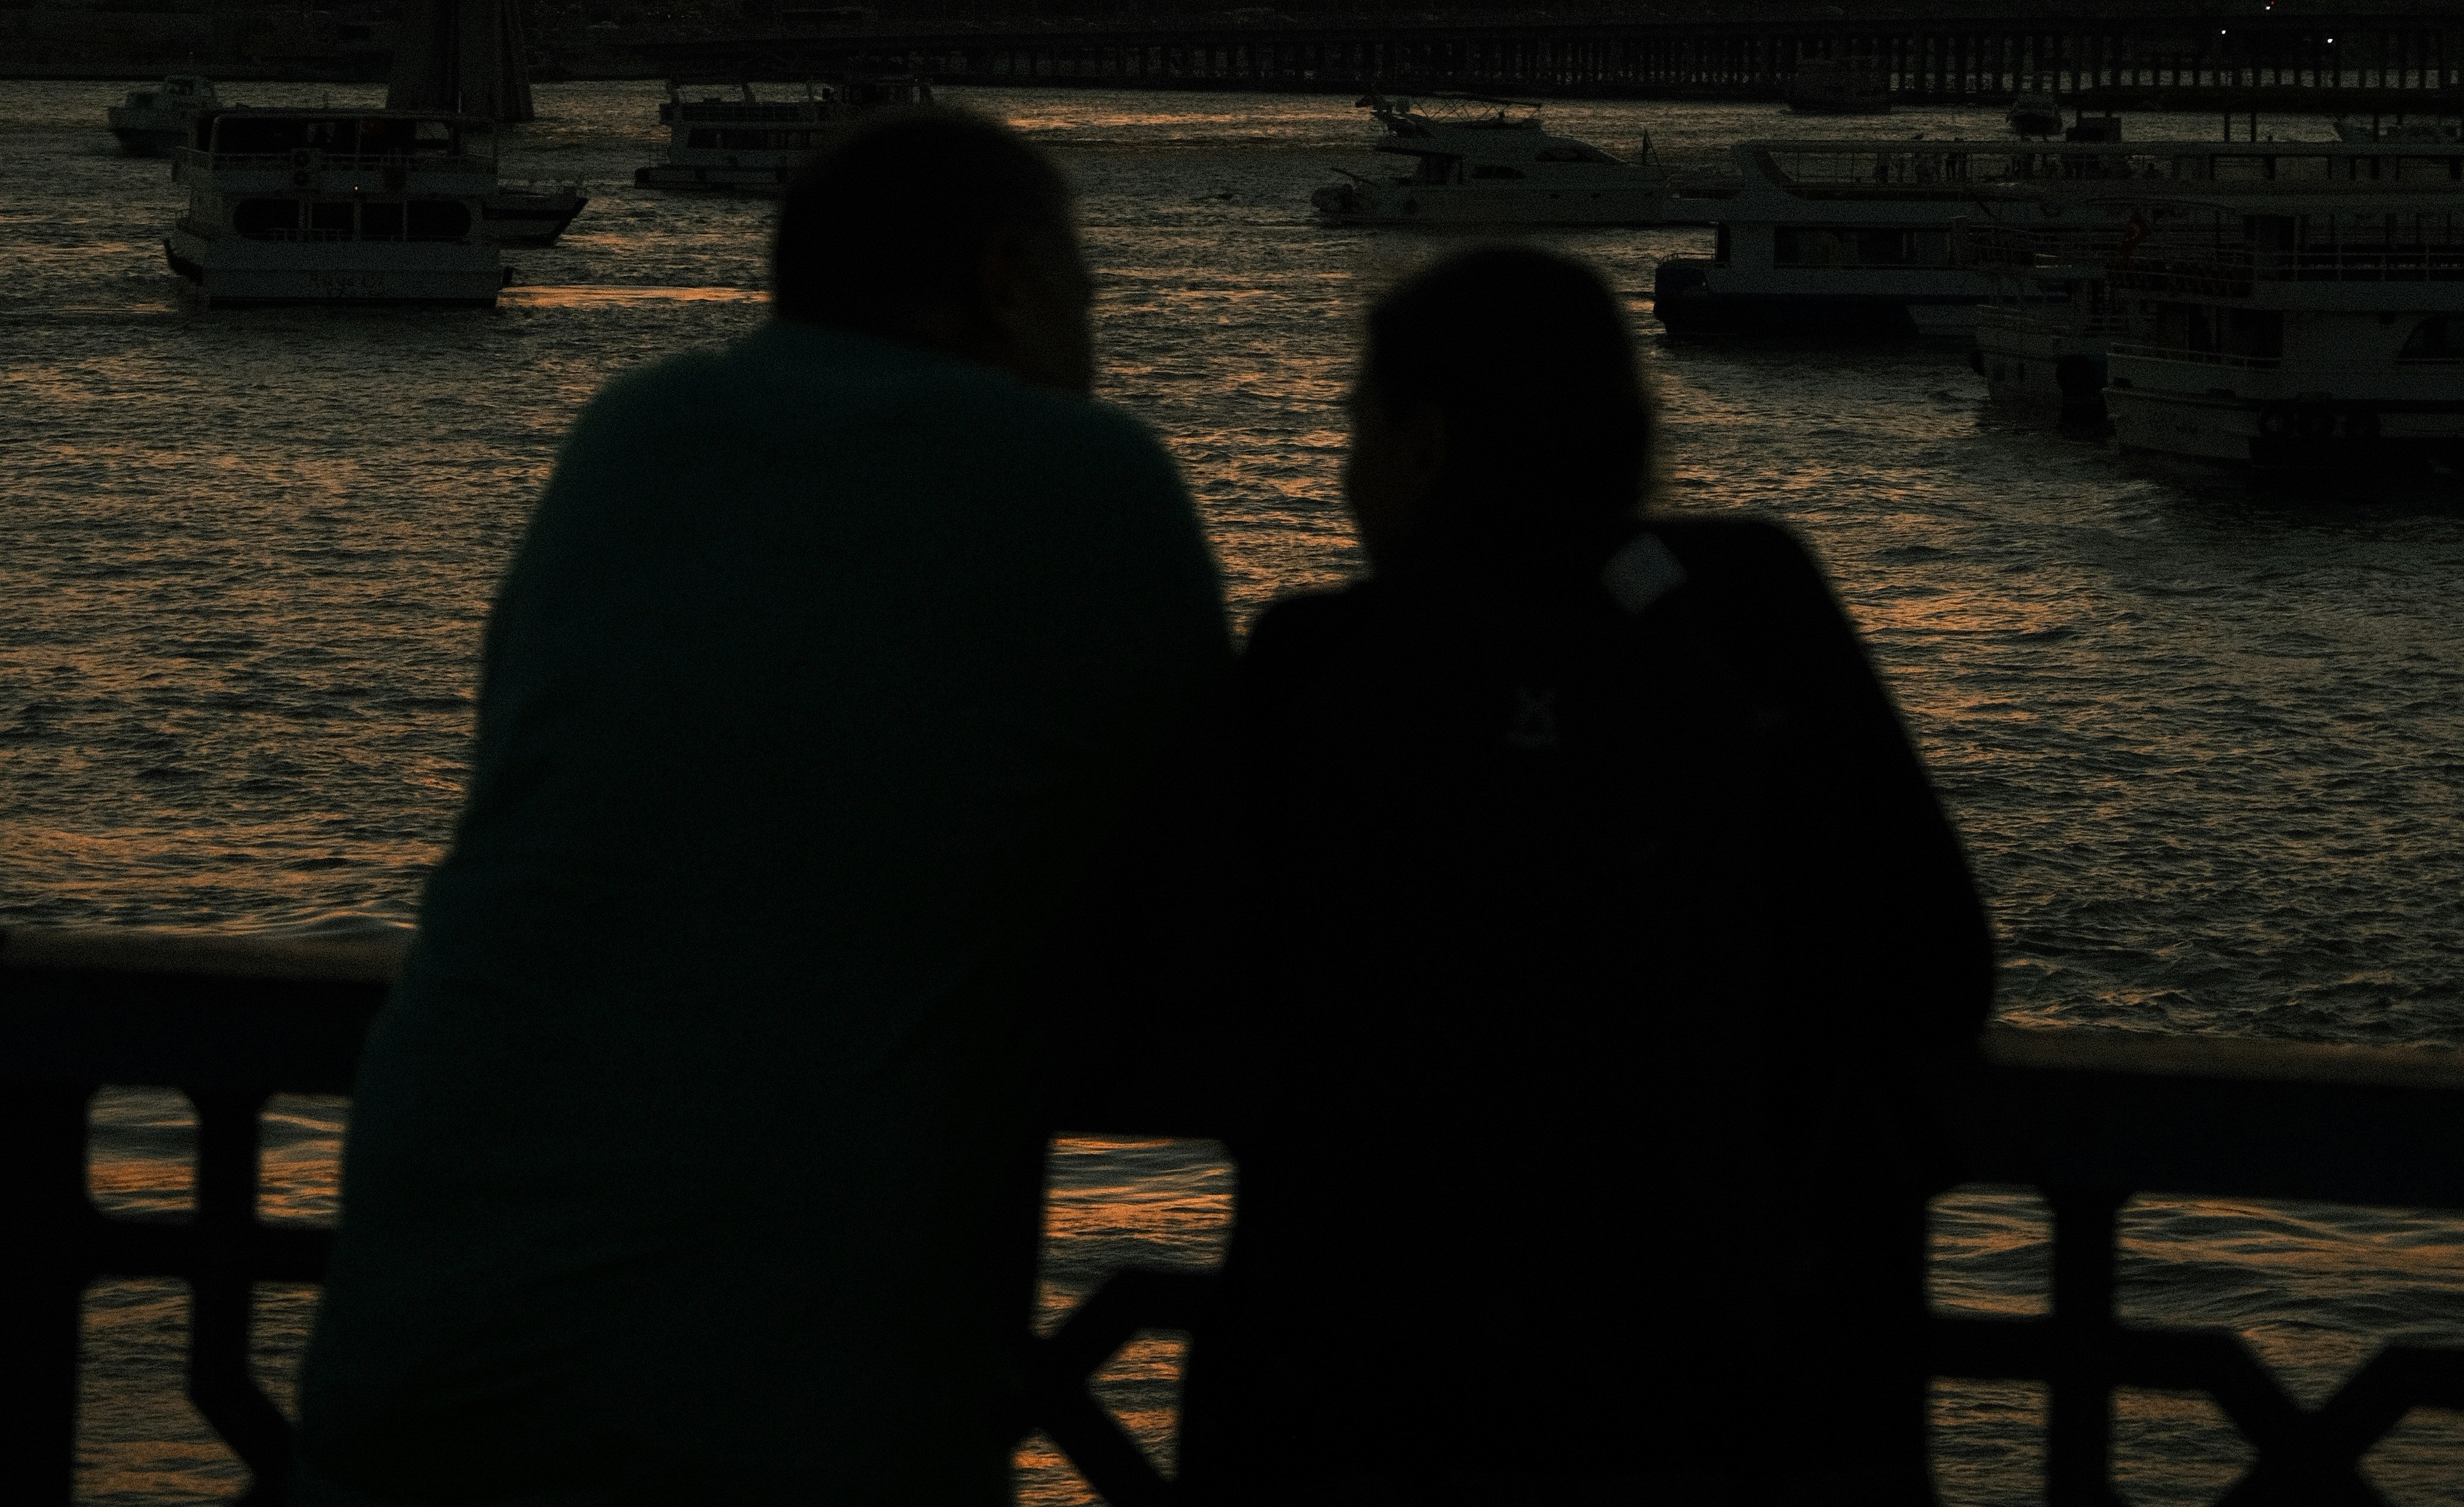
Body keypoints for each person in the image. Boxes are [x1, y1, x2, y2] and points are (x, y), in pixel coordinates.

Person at [293, 110, 1228, 1507]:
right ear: (1005, 280)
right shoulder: (1086, 478)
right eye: (1085, 290)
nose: (1093, 334)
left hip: (421, 1332)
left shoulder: (638, 434)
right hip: (780, 1382)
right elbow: (1209, 882)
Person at [1130, 242, 1994, 1506]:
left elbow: (1187, 970)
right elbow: (1939, 968)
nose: (1344, 472)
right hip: (1713, 1390)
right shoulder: (1751, 611)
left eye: (1355, 429)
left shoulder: (1322, 661)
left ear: (1420, 447)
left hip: (1366, 1389)